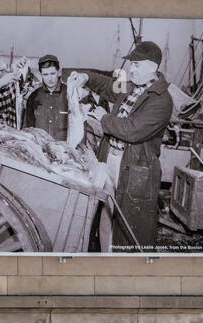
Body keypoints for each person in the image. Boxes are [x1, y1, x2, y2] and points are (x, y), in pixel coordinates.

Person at [73, 41, 173, 251]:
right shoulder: (130, 86)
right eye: (131, 64)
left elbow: (132, 130)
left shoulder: (162, 101)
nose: (131, 69)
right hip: (109, 160)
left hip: (134, 168)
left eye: (137, 65)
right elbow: (106, 85)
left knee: (129, 224)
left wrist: (104, 119)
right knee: (107, 214)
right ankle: (105, 255)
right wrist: (86, 77)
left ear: (153, 67)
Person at [23, 54, 69, 141]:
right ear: (40, 74)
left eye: (52, 73)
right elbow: (27, 130)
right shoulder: (33, 98)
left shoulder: (69, 95)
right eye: (45, 74)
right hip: (41, 150)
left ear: (58, 72)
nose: (50, 78)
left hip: (65, 150)